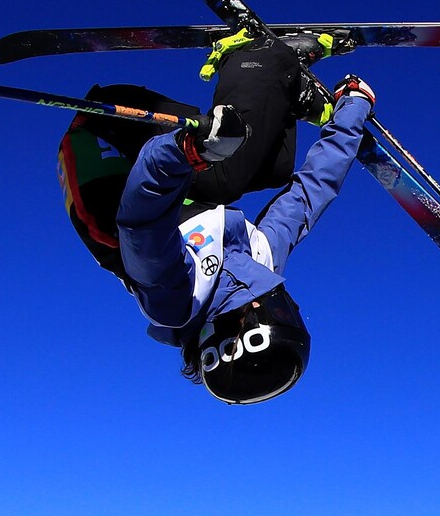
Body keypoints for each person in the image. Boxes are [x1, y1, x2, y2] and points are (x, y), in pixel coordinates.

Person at [58, 34, 374, 404]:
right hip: (156, 157)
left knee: (225, 174)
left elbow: (143, 219)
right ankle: (285, 85)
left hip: (106, 138)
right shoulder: (259, 262)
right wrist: (352, 108)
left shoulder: (175, 296)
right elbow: (310, 193)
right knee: (273, 167)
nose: (266, 301)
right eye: (283, 312)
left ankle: (253, 56)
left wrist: (189, 151)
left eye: (263, 314)